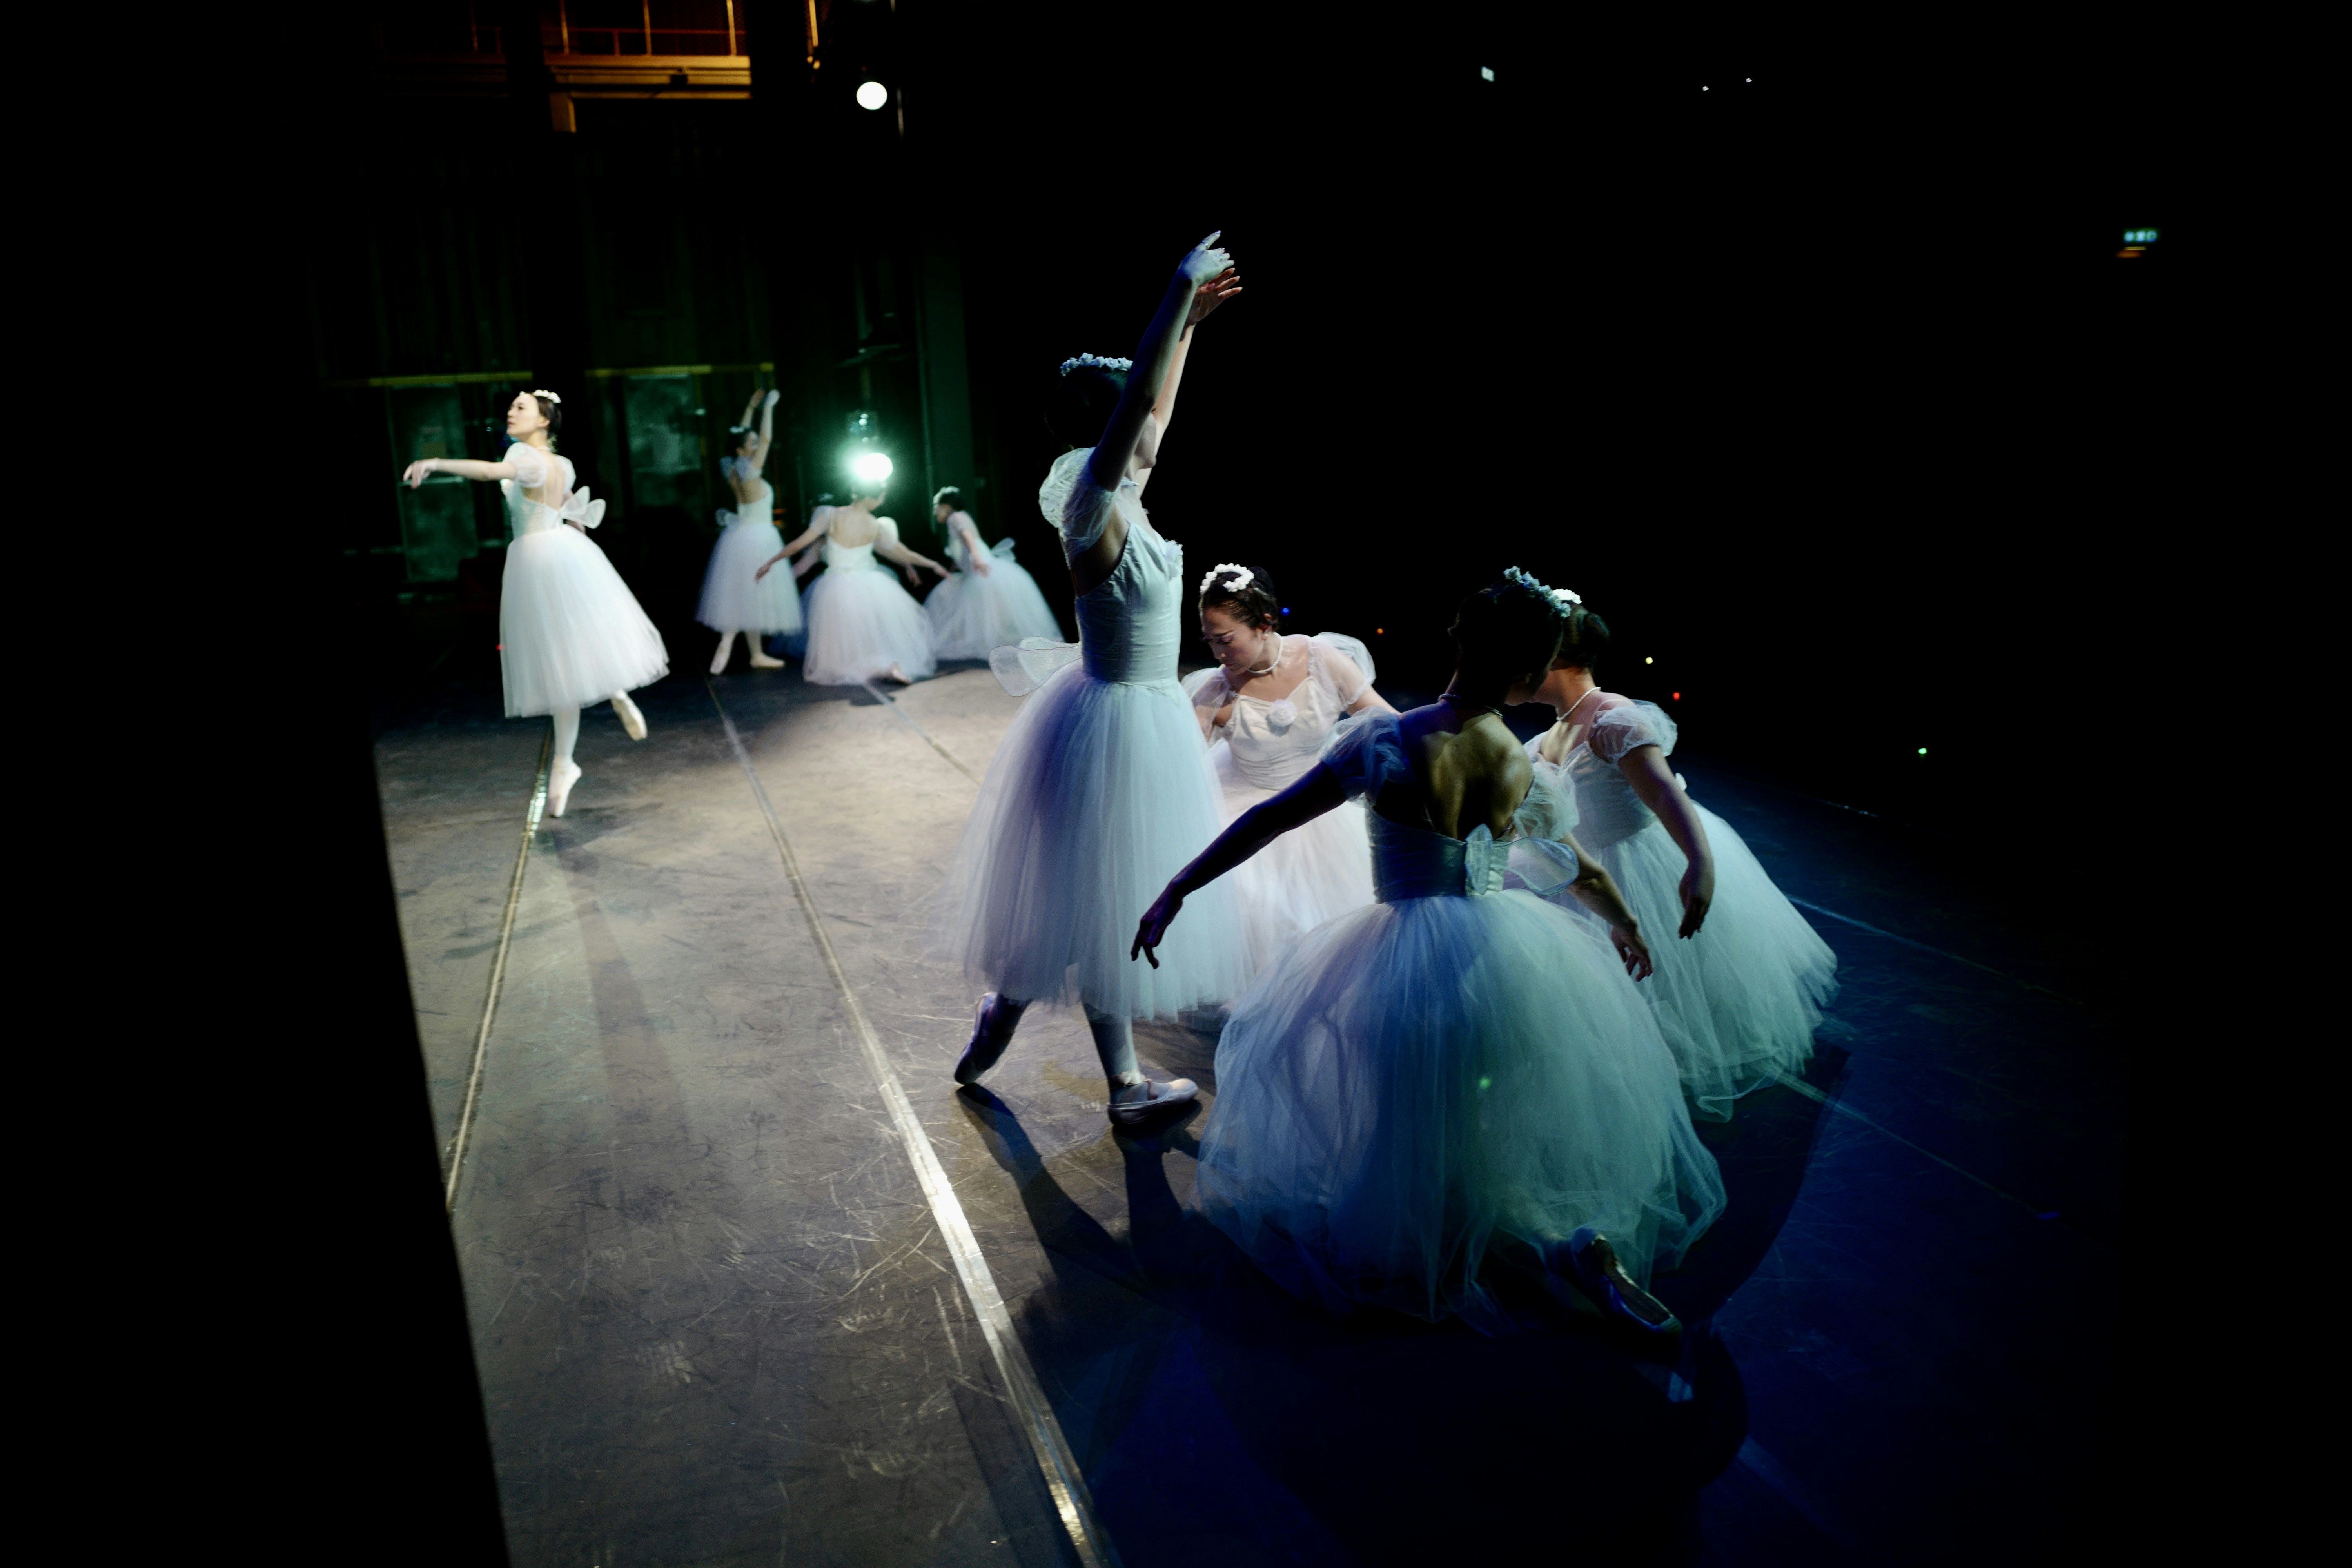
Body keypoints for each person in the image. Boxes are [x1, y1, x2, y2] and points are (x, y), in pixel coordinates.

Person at [1132, 571, 1724, 1333]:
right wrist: (1623, 924)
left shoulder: (1389, 740)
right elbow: (1580, 867)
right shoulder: (1519, 764)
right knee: (1473, 1119)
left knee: (1403, 1134)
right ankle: (1560, 1244)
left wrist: (1179, 886)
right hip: (1504, 964)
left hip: (1406, 964)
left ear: (1455, 640)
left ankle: (1495, 1244)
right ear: (1526, 677)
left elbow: (1271, 819)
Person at [931, 231, 1247, 1127]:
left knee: (1091, 897)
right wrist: (1173, 292)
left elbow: (1158, 404)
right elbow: (1142, 403)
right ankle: (1117, 1084)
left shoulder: (1124, 494)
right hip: (1115, 723)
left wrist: (1192, 324)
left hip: (1139, 713)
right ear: (1108, 427)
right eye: (1131, 423)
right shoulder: (1086, 504)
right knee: (1102, 898)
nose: (1149, 432)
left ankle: (1011, 1013)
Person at [1525, 592, 1837, 1120]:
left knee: (1661, 983)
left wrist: (1700, 861)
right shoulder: (1543, 740)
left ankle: (1661, 1073)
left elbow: (1666, 793)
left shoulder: (1612, 718)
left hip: (1638, 866)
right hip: (1585, 876)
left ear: (1556, 659)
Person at [401, 389, 665, 817]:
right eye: (511, 407)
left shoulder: (525, 457)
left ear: (544, 420)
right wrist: (584, 565)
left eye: (520, 408)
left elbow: (491, 471)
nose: (511, 411)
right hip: (564, 551)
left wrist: (435, 461)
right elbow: (567, 510)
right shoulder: (563, 464)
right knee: (571, 652)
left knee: (558, 664)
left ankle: (568, 758)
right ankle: (596, 718)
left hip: (538, 558)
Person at [1183, 563, 1391, 993]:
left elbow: (1383, 721)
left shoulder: (1320, 658)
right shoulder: (1215, 691)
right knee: (1259, 908)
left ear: (1264, 625)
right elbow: (1179, 765)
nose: (1219, 654)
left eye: (1226, 641)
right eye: (1210, 642)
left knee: (1330, 933)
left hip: (1319, 807)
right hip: (1246, 807)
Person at [757, 478, 946, 686]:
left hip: (837, 588)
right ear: (872, 499)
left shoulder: (830, 515)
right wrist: (933, 565)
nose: (882, 501)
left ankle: (884, 666)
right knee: (866, 638)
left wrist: (772, 562)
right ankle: (886, 666)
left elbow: (800, 543)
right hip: (869, 587)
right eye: (881, 497)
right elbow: (906, 553)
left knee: (840, 657)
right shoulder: (876, 524)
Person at [698, 388, 802, 673]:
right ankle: (732, 641)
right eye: (751, 444)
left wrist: (750, 407)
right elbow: (766, 438)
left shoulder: (732, 468)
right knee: (754, 593)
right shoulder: (752, 470)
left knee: (741, 593)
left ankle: (748, 650)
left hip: (738, 535)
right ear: (742, 450)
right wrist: (768, 407)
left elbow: (740, 435)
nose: (758, 446)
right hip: (759, 536)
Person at [924, 488, 1065, 657]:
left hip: (980, 566)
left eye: (936, 507)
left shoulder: (955, 517)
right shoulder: (961, 517)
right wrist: (952, 570)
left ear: (946, 506)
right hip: (974, 568)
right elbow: (960, 551)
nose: (935, 512)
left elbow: (968, 537)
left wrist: (976, 558)